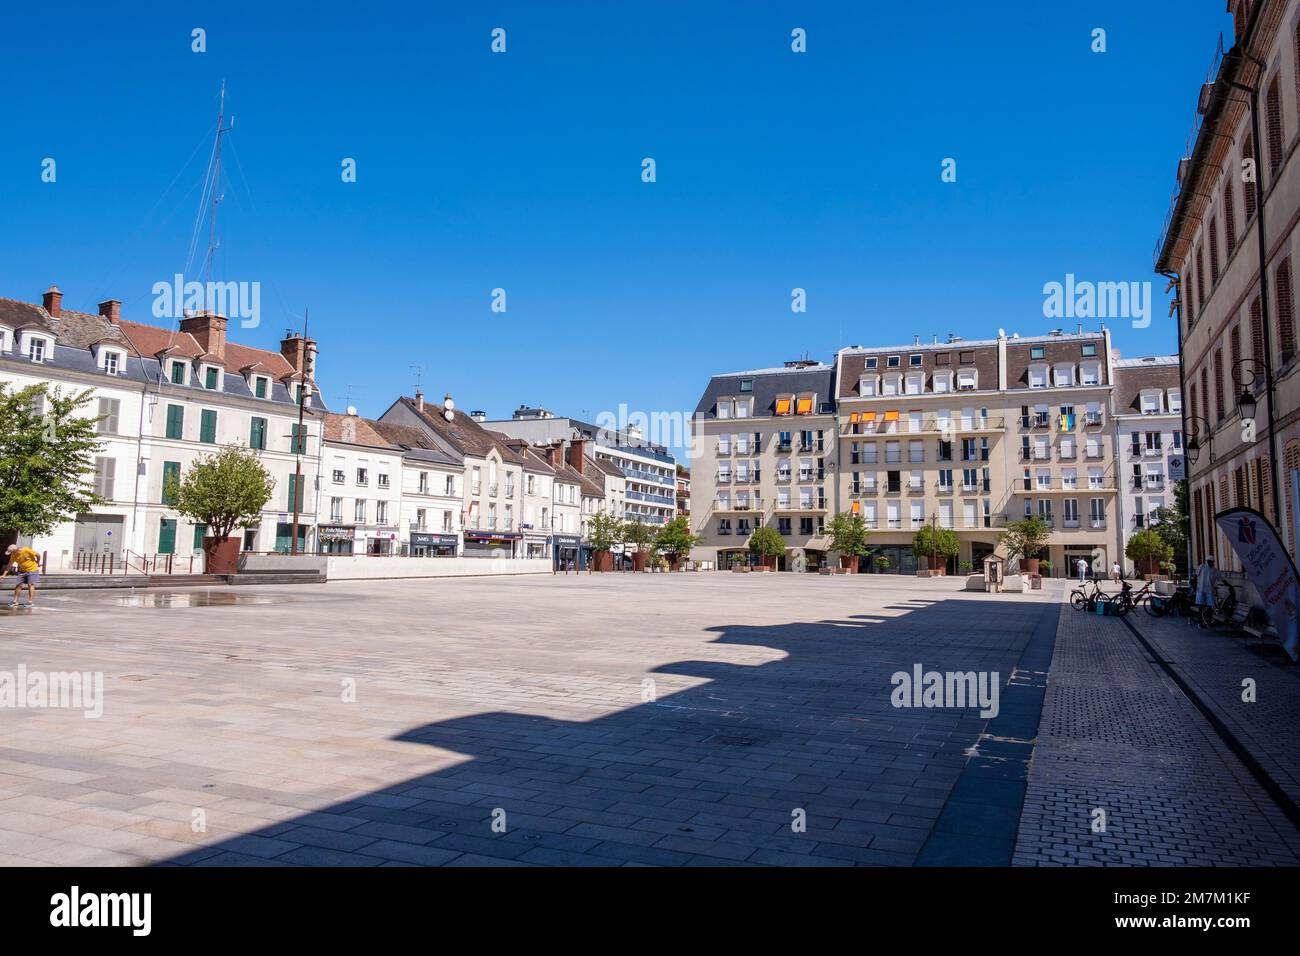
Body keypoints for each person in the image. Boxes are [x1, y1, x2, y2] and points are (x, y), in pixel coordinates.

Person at [5, 543, 41, 609]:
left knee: (30, 585)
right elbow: (10, 564)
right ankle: (15, 601)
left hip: (32, 570)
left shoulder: (26, 550)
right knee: (18, 585)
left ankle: (30, 602)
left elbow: (38, 555)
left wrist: (37, 562)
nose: (11, 554)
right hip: (22, 571)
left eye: (11, 552)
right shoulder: (13, 555)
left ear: (16, 550)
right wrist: (4, 574)